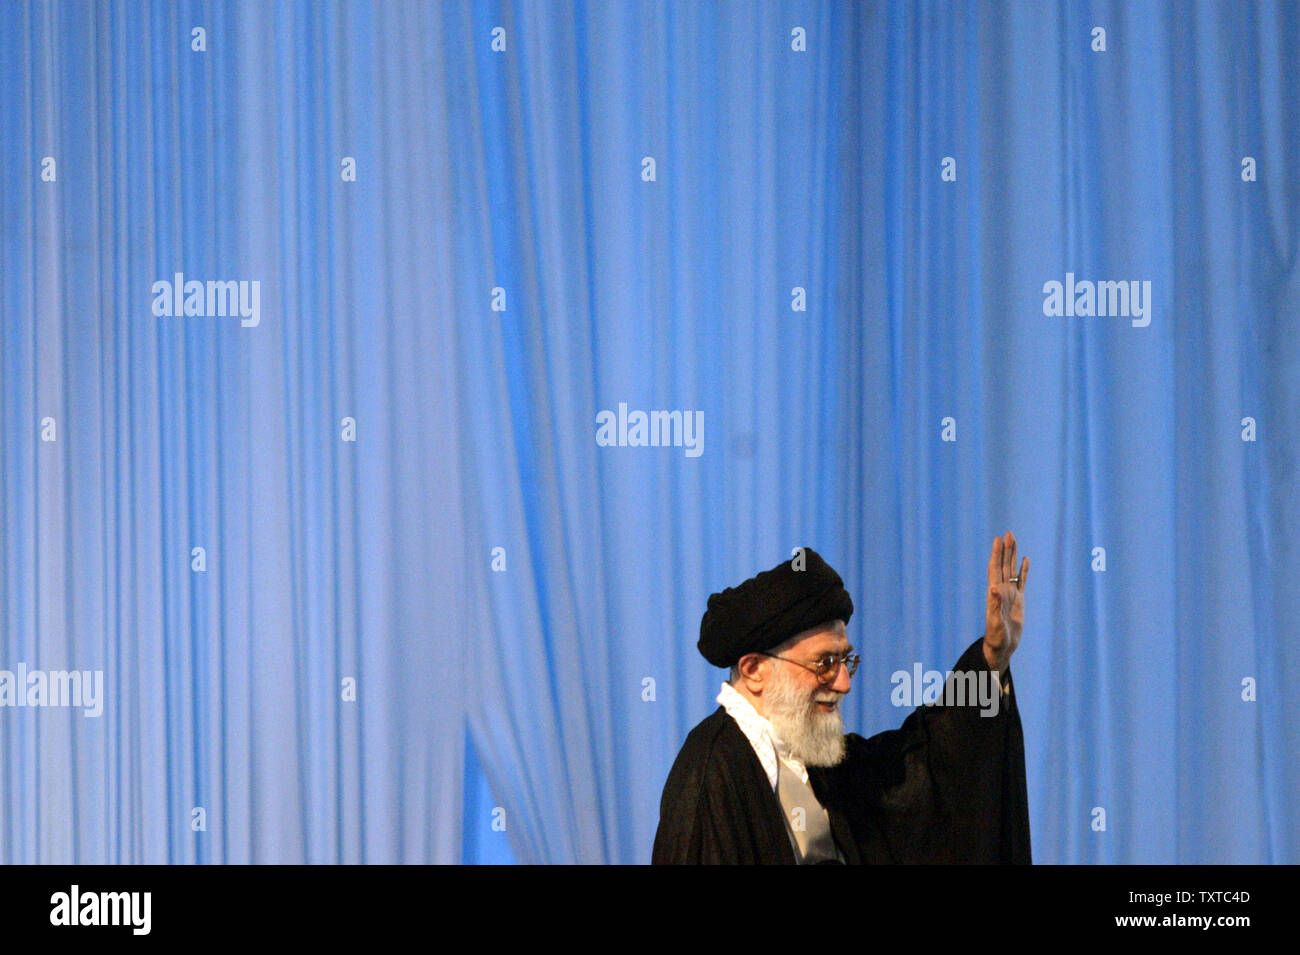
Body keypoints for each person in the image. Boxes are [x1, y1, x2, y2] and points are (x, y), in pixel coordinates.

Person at [651, 534, 1032, 864]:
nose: (844, 683)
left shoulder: (817, 757)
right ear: (754, 670)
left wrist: (991, 659)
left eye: (845, 659)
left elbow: (924, 766)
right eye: (824, 663)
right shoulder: (710, 776)